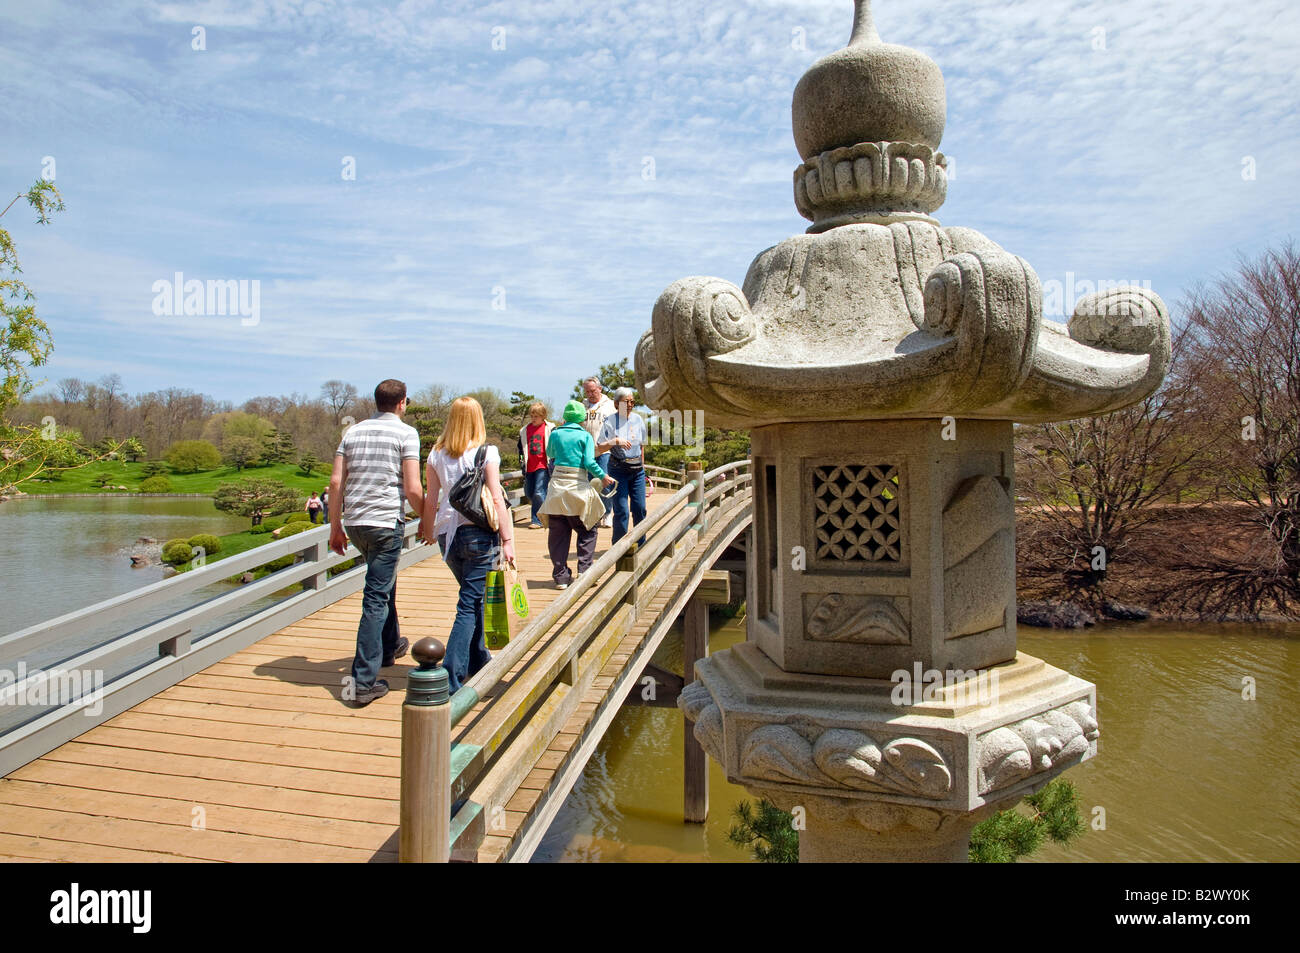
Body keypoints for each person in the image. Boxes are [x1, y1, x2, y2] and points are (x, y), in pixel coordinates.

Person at [329, 379, 423, 707]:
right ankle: (362, 682)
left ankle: (390, 645)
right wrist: (426, 518)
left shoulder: (352, 432)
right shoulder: (406, 433)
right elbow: (412, 487)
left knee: (383, 583)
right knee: (375, 598)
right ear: (402, 403)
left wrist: (335, 526)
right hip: (385, 521)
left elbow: (336, 481)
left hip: (355, 522)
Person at [419, 396, 514, 694]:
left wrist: (427, 529)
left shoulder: (435, 455)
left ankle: (477, 658)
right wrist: (509, 540)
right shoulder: (487, 452)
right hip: (478, 534)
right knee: (469, 604)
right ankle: (449, 676)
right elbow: (496, 498)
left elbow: (431, 499)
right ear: (477, 420)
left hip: (448, 536)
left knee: (473, 599)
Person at [540, 400, 615, 589]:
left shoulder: (556, 433)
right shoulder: (586, 436)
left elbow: (550, 453)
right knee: (588, 529)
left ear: (565, 416)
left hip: (557, 488)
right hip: (577, 489)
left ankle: (561, 577)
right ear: (582, 418)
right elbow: (589, 463)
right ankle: (585, 570)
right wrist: (603, 476)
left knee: (558, 534)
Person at [596, 387, 647, 546]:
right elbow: (600, 447)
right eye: (626, 401)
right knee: (622, 511)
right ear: (617, 404)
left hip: (637, 470)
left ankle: (641, 544)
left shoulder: (638, 419)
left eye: (632, 401)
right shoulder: (609, 421)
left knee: (640, 509)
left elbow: (641, 445)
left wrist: (643, 467)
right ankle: (619, 548)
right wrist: (615, 441)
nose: (630, 404)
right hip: (618, 469)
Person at [581, 376, 616, 528]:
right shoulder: (582, 405)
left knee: (604, 481)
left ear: (600, 389)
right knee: (589, 484)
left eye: (593, 390)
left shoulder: (610, 405)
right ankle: (594, 513)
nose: (590, 394)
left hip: (605, 449)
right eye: (587, 391)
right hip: (587, 450)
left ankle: (607, 513)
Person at [519, 402, 555, 529]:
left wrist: (554, 462)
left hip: (543, 465)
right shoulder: (524, 430)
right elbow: (520, 449)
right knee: (529, 492)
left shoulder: (550, 428)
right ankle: (547, 513)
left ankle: (538, 520)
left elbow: (555, 446)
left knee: (539, 492)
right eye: (532, 416)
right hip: (529, 466)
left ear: (543, 416)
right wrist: (521, 461)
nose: (533, 418)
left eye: (536, 416)